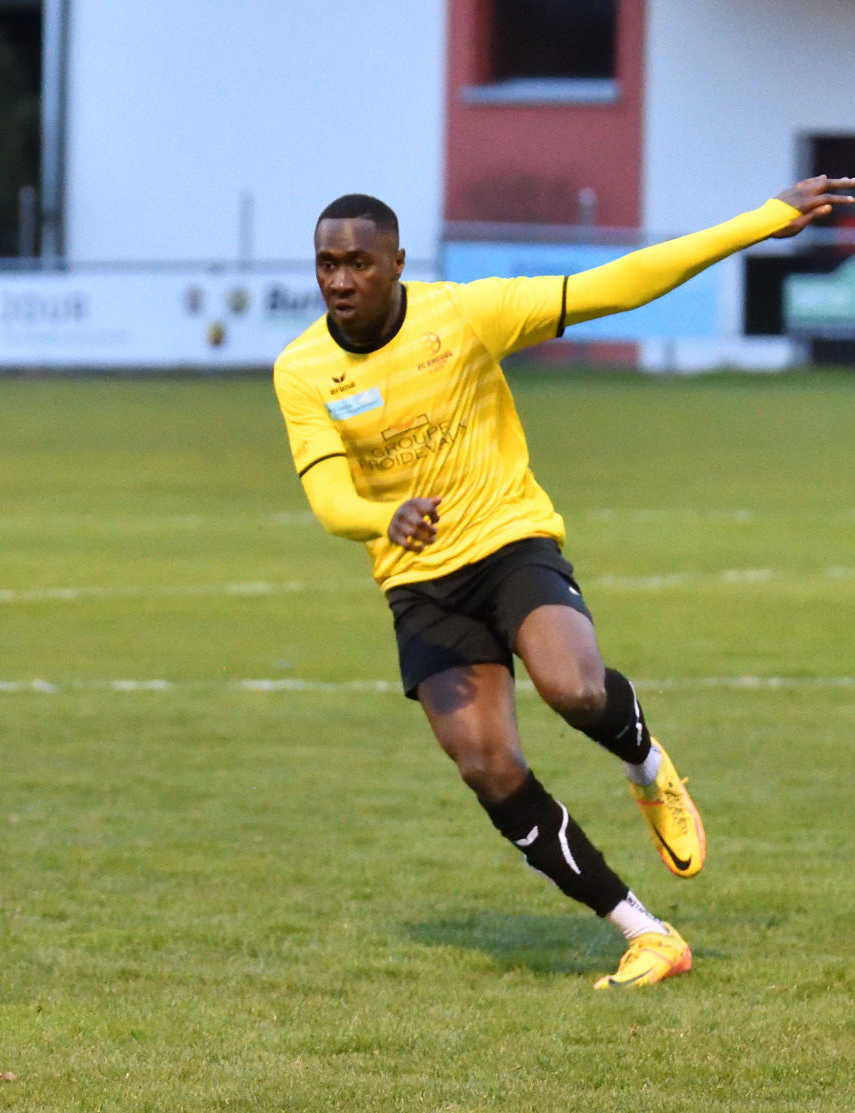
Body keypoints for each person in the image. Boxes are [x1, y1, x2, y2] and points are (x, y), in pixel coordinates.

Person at [273, 176, 854, 989]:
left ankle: (647, 765)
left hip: (509, 541)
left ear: (396, 263)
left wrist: (762, 221)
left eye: (358, 263)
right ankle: (645, 932)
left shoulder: (463, 316)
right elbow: (329, 496)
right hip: (418, 584)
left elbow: (613, 285)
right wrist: (382, 518)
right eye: (326, 264)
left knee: (575, 688)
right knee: (485, 765)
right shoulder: (301, 368)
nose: (339, 280)